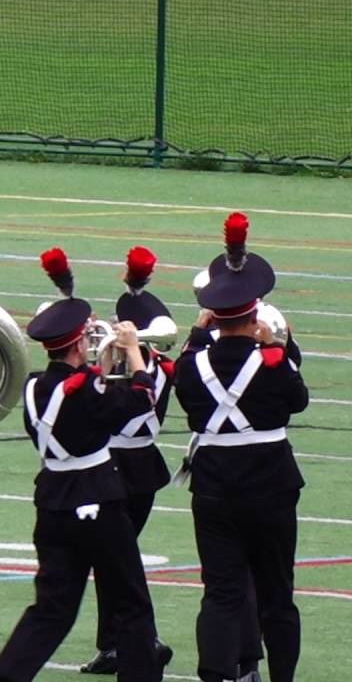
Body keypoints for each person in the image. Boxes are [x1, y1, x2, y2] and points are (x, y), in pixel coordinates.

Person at [0, 248, 160, 682]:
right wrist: (134, 351)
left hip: (53, 503)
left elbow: (82, 404)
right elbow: (142, 398)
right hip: (98, 501)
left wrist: (98, 367)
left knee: (52, 608)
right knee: (132, 601)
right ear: (80, 344)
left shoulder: (32, 389)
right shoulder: (86, 390)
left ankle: (9, 674)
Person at [173, 213, 307, 682]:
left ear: (212, 315)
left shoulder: (190, 366)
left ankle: (216, 675)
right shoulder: (272, 363)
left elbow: (188, 400)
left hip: (214, 487)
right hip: (271, 483)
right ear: (254, 315)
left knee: (222, 593)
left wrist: (196, 334)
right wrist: (279, 348)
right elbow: (299, 401)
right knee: (277, 593)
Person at [79, 246, 175, 674]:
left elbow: (93, 405)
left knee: (115, 560)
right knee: (117, 557)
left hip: (113, 468)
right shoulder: (166, 368)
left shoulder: (120, 370)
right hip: (146, 468)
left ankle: (137, 640)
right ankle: (117, 642)